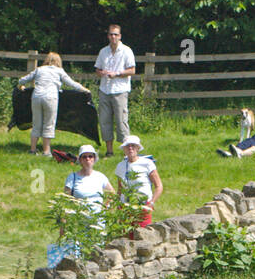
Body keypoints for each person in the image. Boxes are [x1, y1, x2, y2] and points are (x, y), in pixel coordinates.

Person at [17, 52, 91, 158]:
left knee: (36, 124)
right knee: (49, 124)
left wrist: (21, 86)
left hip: (36, 97)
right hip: (50, 98)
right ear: (58, 61)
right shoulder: (59, 71)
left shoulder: (39, 69)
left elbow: (23, 80)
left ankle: (32, 150)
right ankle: (46, 152)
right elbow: (71, 83)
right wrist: (84, 90)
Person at [94, 24, 136, 157]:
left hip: (120, 90)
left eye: (116, 34)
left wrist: (117, 74)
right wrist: (102, 73)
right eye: (111, 34)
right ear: (108, 36)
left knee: (121, 121)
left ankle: (127, 153)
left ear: (120, 36)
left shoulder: (126, 51)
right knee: (105, 121)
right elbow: (97, 69)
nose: (113, 37)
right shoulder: (103, 51)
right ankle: (109, 151)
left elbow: (132, 70)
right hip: (104, 90)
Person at [62, 144, 115, 235]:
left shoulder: (100, 176)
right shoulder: (72, 177)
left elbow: (113, 193)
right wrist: (64, 221)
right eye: (84, 157)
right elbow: (65, 200)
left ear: (94, 159)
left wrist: (106, 207)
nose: (88, 159)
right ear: (80, 160)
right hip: (79, 219)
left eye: (90, 156)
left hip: (98, 219)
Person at [115, 134, 162, 228]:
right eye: (127, 146)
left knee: (142, 235)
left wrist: (151, 203)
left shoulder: (147, 163)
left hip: (143, 206)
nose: (130, 148)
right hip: (125, 207)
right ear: (124, 149)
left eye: (133, 145)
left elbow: (159, 186)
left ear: (138, 148)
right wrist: (118, 206)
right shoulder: (120, 166)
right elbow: (120, 188)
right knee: (125, 236)